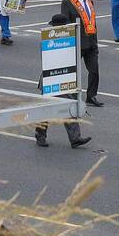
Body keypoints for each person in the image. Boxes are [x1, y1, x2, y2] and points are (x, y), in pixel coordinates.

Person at [34, 13, 93, 148]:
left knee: (66, 107)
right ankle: (42, 135)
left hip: (62, 78)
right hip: (51, 79)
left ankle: (74, 138)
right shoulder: (48, 41)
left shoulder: (66, 39)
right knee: (49, 110)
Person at [61, 0, 103, 106]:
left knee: (94, 71)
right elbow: (65, 23)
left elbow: (92, 22)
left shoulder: (90, 2)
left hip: (90, 43)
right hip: (77, 43)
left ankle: (91, 96)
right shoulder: (68, 2)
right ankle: (71, 94)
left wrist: (95, 41)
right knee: (72, 70)